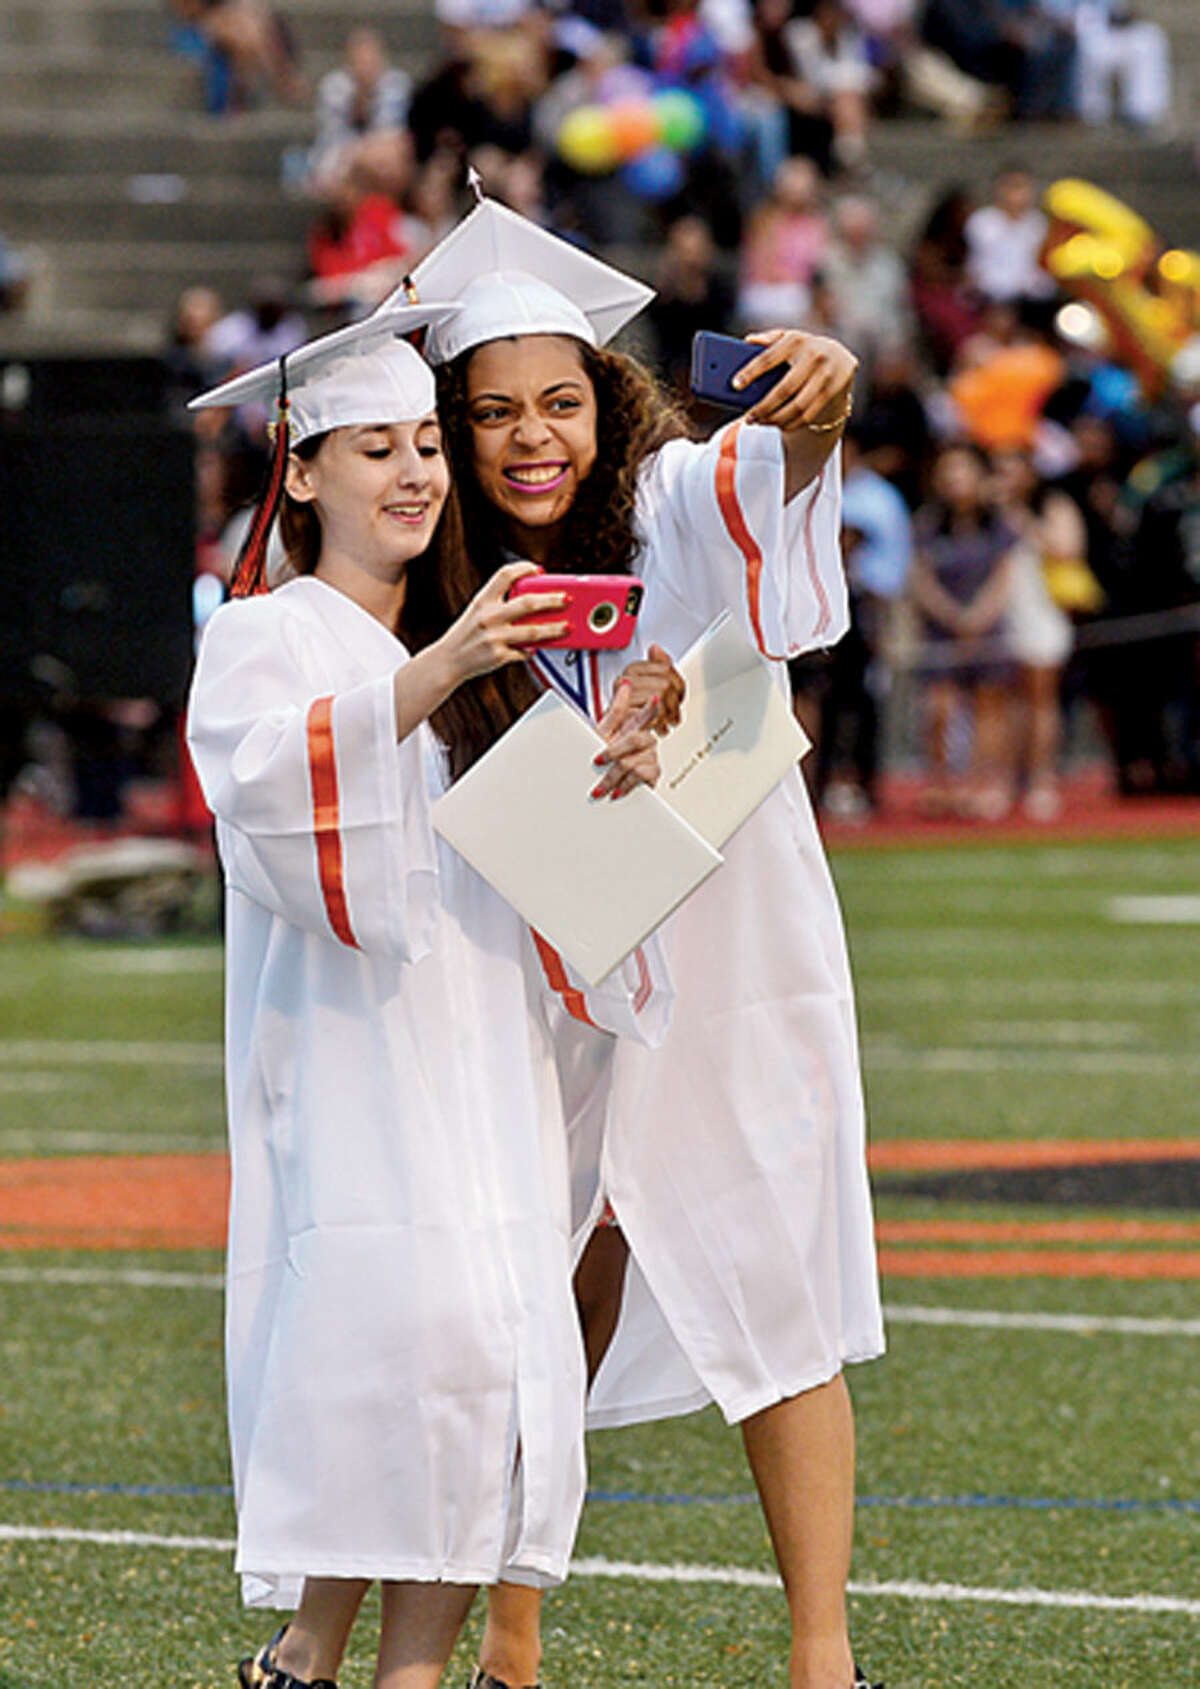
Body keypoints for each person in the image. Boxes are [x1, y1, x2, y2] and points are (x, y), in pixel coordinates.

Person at [395, 194, 885, 1689]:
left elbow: (770, 483)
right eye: (491, 414)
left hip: (731, 946)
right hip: (543, 952)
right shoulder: (445, 580)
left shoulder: (669, 496)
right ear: (451, 431)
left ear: (605, 404)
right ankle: (511, 1637)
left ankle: (823, 1658)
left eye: (559, 401)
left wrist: (821, 401)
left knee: (773, 1268)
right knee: (547, 1267)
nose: (531, 438)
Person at [185, 307, 669, 1689]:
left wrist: (620, 764)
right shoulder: (267, 636)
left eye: (422, 445)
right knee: (397, 1351)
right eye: (374, 447)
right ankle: (309, 1655)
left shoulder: (494, 639)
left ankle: (376, 1673)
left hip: (491, 1059)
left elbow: (561, 878)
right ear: (304, 472)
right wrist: (439, 670)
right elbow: (272, 801)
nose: (412, 472)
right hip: (353, 1069)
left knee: (490, 1373)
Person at [910, 440, 1019, 817]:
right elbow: (920, 577)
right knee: (938, 710)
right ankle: (942, 784)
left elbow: (1005, 576)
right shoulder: (929, 523)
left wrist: (978, 617)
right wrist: (952, 615)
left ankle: (983, 785)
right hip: (941, 631)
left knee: (990, 709)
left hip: (987, 629)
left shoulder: (998, 523)